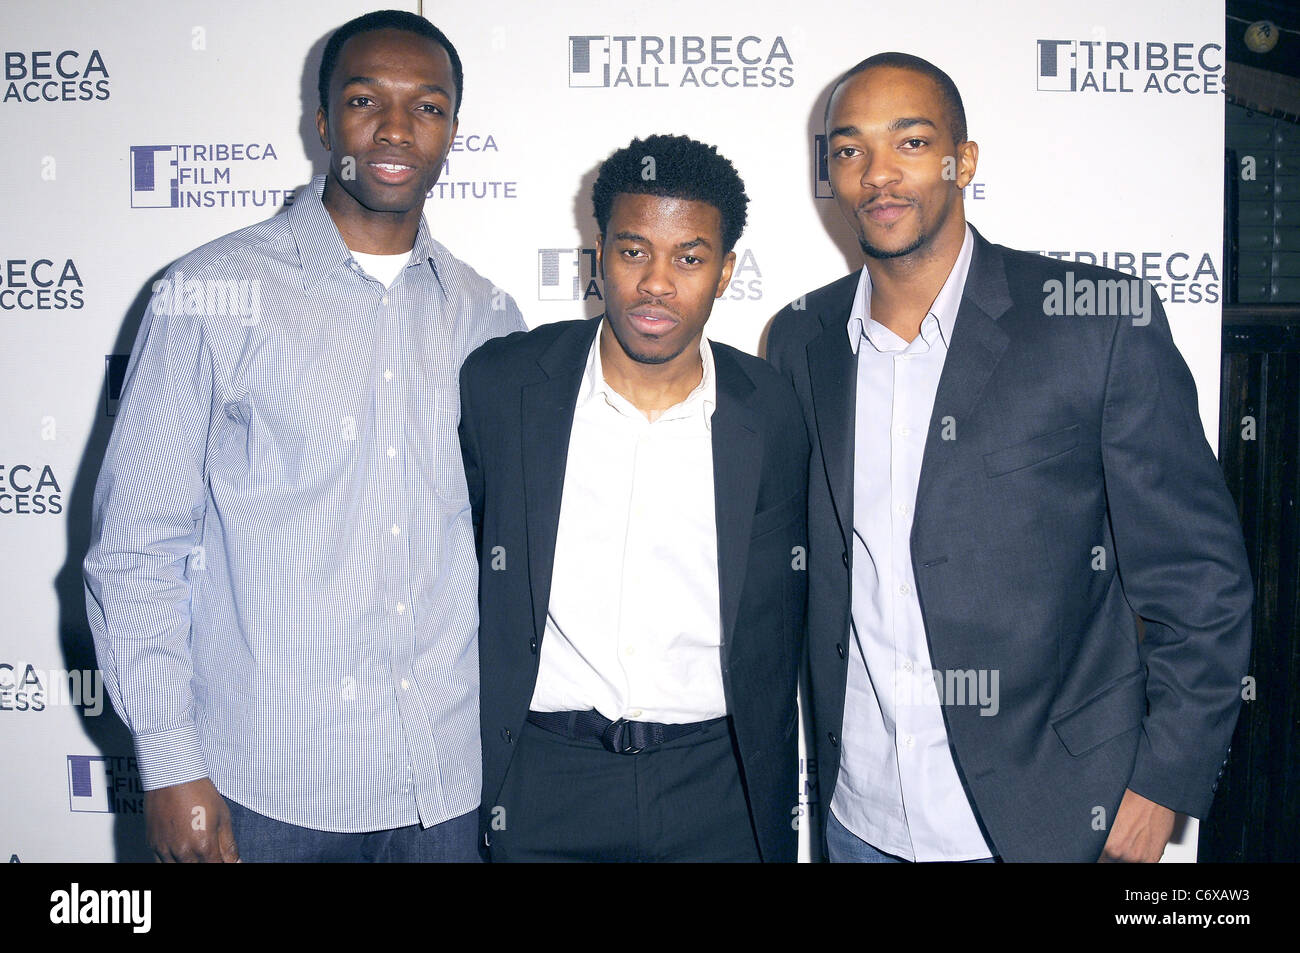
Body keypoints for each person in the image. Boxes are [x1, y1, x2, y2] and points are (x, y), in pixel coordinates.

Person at [766, 52, 1253, 863]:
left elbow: (1203, 583)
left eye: (912, 142)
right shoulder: (802, 338)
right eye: (850, 150)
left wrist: (1164, 787)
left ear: (965, 159)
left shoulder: (1095, 325)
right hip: (860, 822)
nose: (879, 174)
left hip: (1053, 823)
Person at [83, 10, 525, 862]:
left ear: (453, 133)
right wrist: (171, 763)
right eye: (365, 100)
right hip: (268, 791)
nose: (395, 128)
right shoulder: (210, 293)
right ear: (323, 122)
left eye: (427, 107)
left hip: (447, 791)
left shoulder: (490, 317)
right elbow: (138, 547)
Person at [459, 134, 808, 862]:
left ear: (725, 272)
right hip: (544, 784)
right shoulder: (505, 385)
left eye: (689, 257)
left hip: (720, 788)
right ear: (597, 257)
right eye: (633, 250)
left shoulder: (772, 409)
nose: (657, 282)